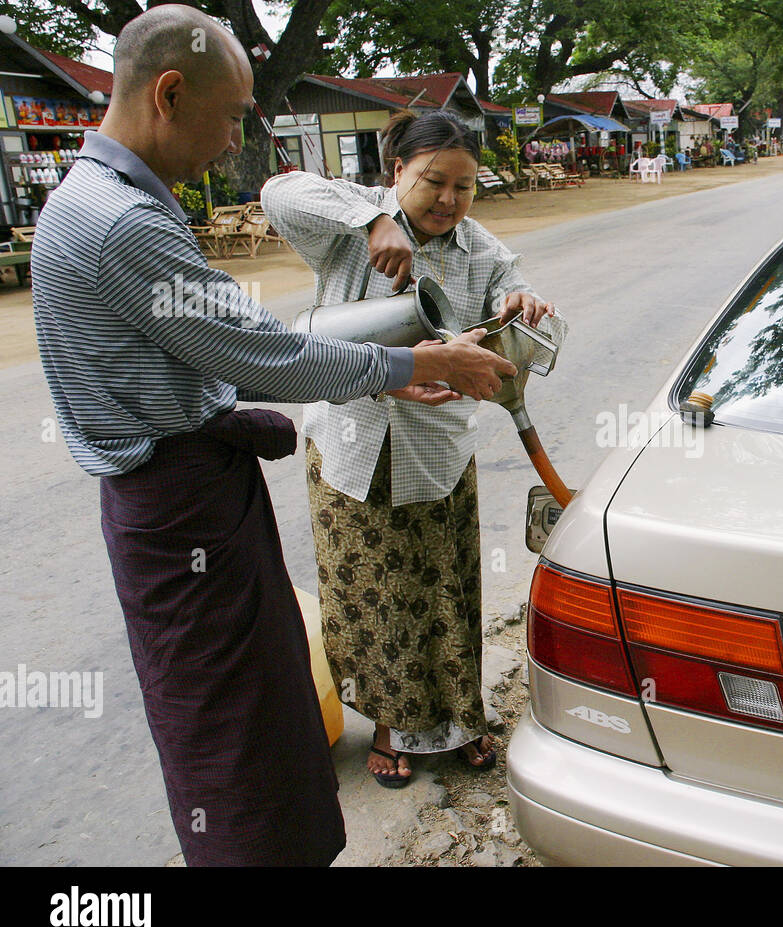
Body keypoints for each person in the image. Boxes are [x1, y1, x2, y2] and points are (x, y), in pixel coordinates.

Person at [29, 6, 514, 866]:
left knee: (256, 703)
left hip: (189, 495)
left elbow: (228, 362)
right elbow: (270, 355)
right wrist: (412, 366)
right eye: (227, 118)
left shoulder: (93, 200)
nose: (230, 144)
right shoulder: (123, 223)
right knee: (233, 720)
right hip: (182, 511)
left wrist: (417, 362)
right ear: (170, 93)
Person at [262, 109, 561, 789]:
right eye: (433, 182)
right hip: (352, 440)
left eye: (464, 187)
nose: (449, 200)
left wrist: (524, 303)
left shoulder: (478, 249)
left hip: (435, 447)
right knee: (372, 595)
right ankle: (391, 727)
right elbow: (277, 194)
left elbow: (520, 308)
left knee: (443, 586)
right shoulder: (350, 225)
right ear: (397, 170)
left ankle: (460, 720)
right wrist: (372, 221)